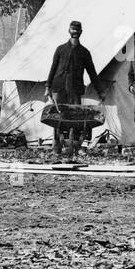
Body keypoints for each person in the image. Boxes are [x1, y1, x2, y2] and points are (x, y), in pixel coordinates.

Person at [45, 19, 101, 163]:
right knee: (57, 118)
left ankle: (73, 148)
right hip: (58, 88)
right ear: (69, 31)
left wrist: (101, 91)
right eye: (73, 30)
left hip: (75, 90)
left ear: (81, 32)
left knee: (75, 119)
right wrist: (47, 87)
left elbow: (92, 73)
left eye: (77, 30)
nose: (75, 33)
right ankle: (57, 147)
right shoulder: (60, 49)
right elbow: (52, 68)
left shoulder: (84, 52)